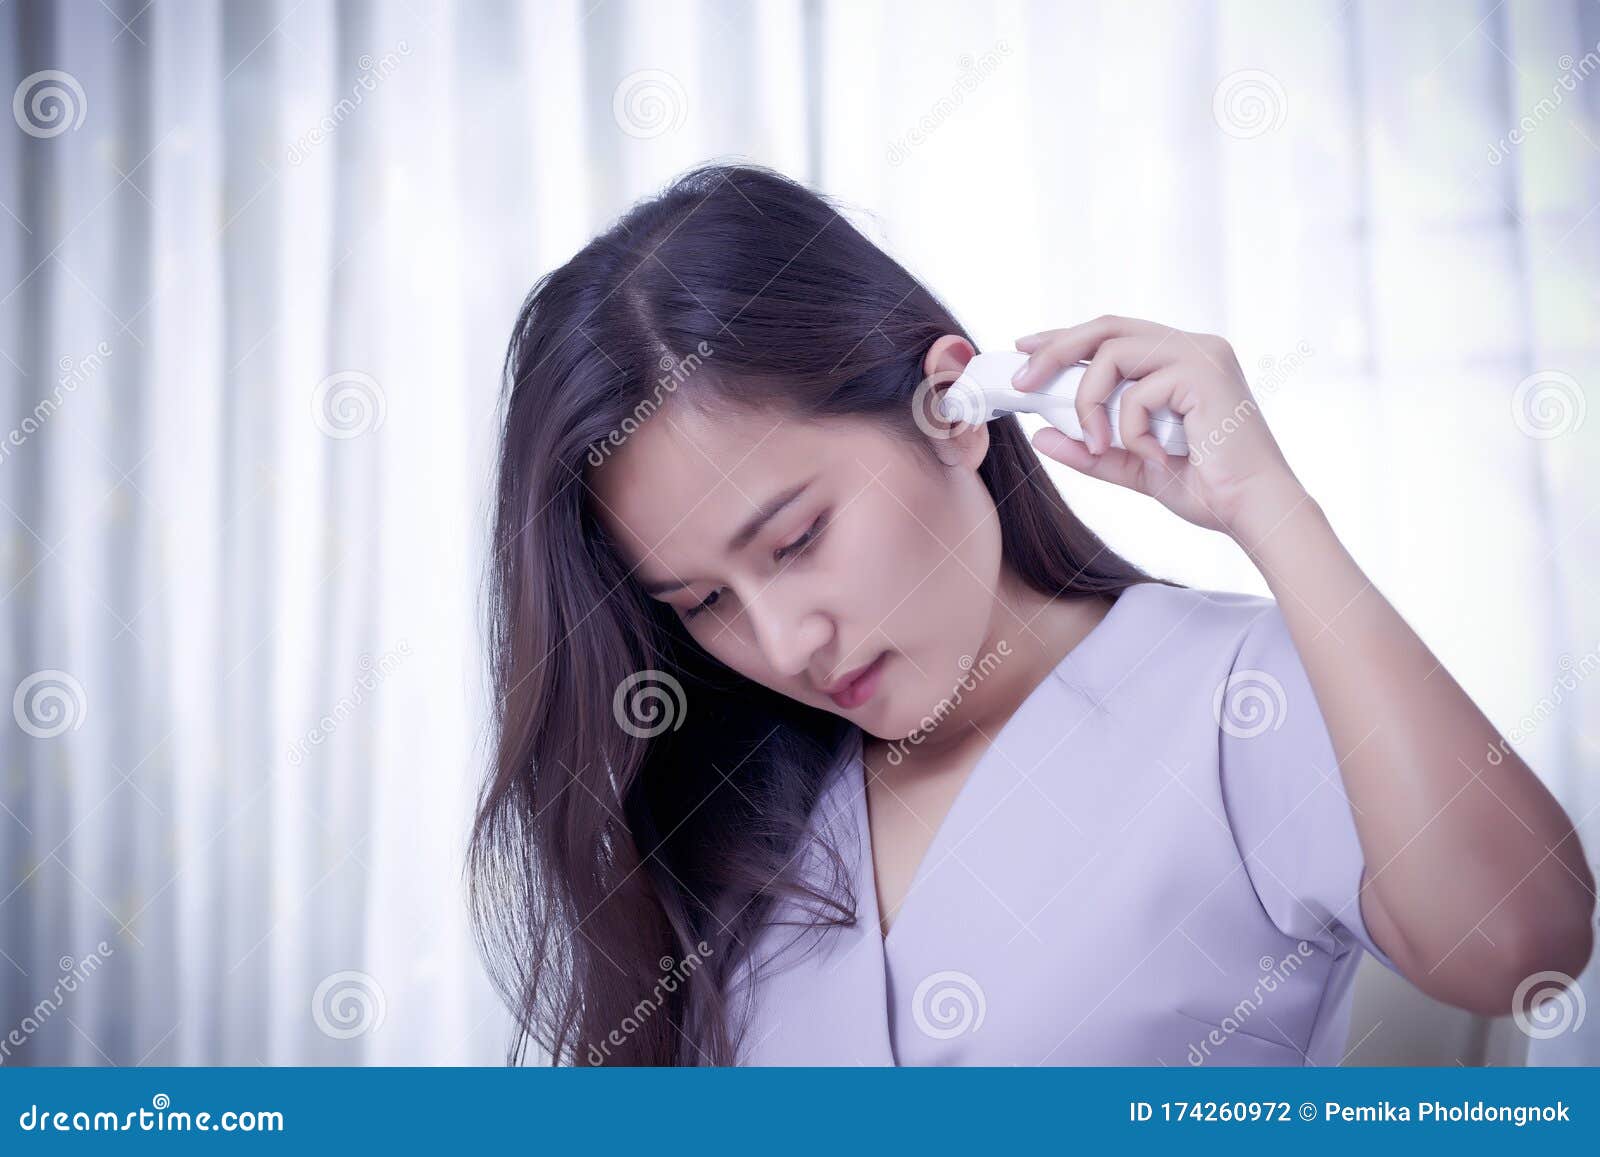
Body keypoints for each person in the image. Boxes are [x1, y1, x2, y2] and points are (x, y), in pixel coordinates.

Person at [469, 161, 1594, 1066]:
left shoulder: (1234, 699)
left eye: (798, 538)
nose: (783, 642)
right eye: (704, 601)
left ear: (952, 411)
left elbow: (1518, 943)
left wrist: (1270, 507)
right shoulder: (732, 820)